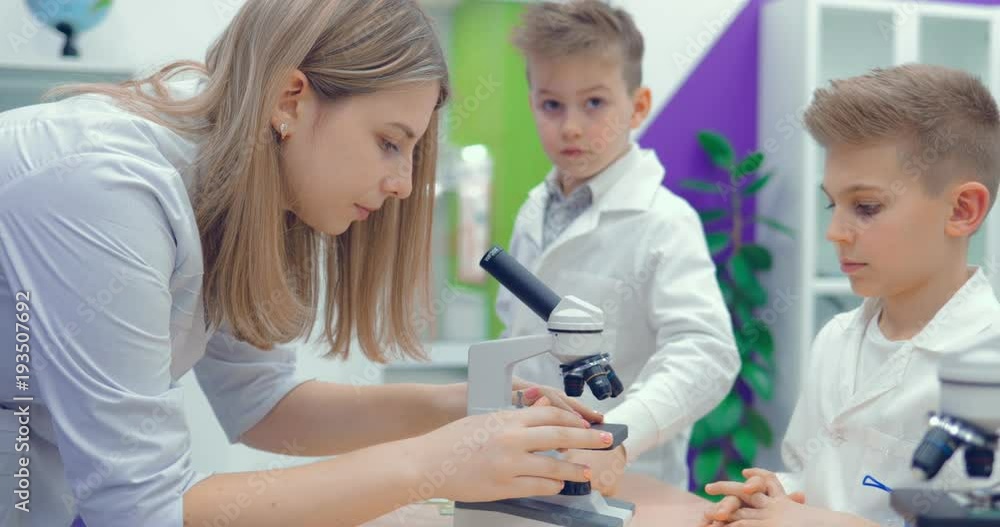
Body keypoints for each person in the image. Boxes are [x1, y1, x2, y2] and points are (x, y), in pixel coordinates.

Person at [0, 1, 614, 525]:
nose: (403, 184)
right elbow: (145, 509)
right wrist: (434, 465)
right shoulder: (101, 187)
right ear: (291, 98)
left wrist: (457, 406)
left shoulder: (231, 186)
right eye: (389, 142)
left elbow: (264, 406)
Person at [703, 64, 1000, 526]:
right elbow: (822, 478)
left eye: (866, 207)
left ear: (962, 210)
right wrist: (783, 494)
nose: (835, 233)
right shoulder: (836, 340)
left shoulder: (990, 364)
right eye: (832, 203)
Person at [497, 0, 740, 495]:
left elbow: (706, 355)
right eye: (551, 105)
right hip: (525, 470)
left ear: (640, 105)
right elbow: (516, 339)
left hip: (627, 482)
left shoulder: (666, 222)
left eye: (594, 103)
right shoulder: (533, 213)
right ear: (532, 104)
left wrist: (616, 437)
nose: (570, 127)